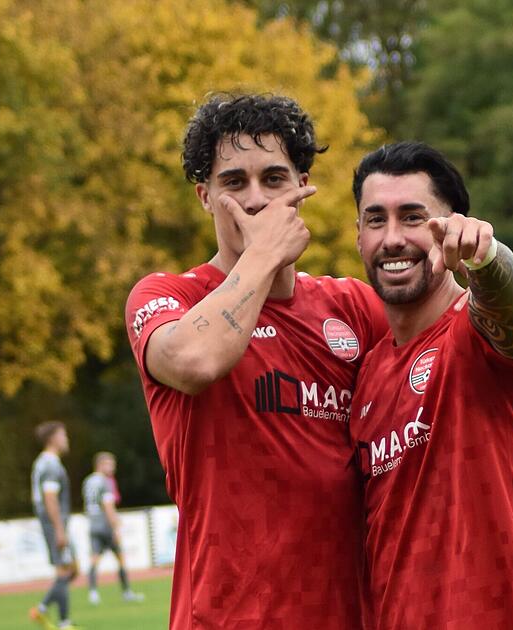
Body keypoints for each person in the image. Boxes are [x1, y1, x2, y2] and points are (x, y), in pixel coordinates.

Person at [124, 93, 385, 629]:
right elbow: (195, 362)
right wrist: (264, 253)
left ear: (303, 186)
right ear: (204, 196)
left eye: (273, 178)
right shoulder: (167, 295)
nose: (256, 199)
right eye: (233, 183)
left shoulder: (353, 307)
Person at [349, 142, 513, 629]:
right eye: (375, 219)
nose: (392, 238)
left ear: (451, 229)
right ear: (358, 236)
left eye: (413, 217)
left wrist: (488, 259)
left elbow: (512, 310)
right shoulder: (366, 378)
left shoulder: (479, 336)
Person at [28, 421, 81, 630]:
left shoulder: (44, 462)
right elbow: (50, 498)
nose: (66, 439)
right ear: (53, 439)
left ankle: (54, 616)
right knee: (64, 570)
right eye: (63, 435)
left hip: (55, 522)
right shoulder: (50, 464)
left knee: (72, 569)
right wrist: (59, 529)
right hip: (54, 523)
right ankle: (55, 617)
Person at [82, 451, 144, 605]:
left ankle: (93, 593)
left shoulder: (88, 481)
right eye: (109, 464)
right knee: (121, 558)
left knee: (94, 559)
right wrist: (116, 527)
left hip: (93, 524)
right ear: (100, 464)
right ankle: (127, 592)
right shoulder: (105, 482)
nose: (112, 468)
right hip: (105, 525)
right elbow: (108, 506)